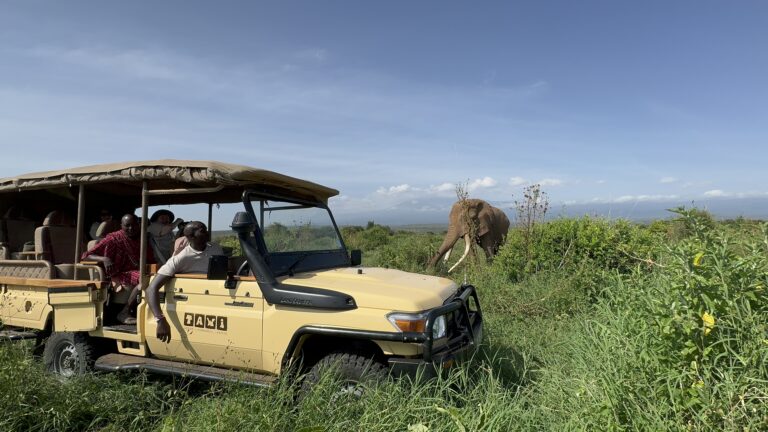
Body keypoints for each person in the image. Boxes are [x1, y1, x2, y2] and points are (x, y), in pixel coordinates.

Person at [146, 221, 224, 343]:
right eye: (202, 231)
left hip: (216, 297)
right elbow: (152, 288)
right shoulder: (181, 258)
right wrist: (160, 320)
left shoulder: (216, 248)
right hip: (193, 299)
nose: (207, 233)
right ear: (191, 237)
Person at [82, 214, 155, 325]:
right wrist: (105, 259)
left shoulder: (142, 238)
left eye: (134, 225)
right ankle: (125, 312)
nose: (131, 228)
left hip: (136, 270)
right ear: (121, 226)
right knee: (144, 278)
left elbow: (150, 258)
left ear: (139, 225)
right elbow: (86, 256)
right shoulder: (113, 238)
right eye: (127, 225)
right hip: (118, 274)